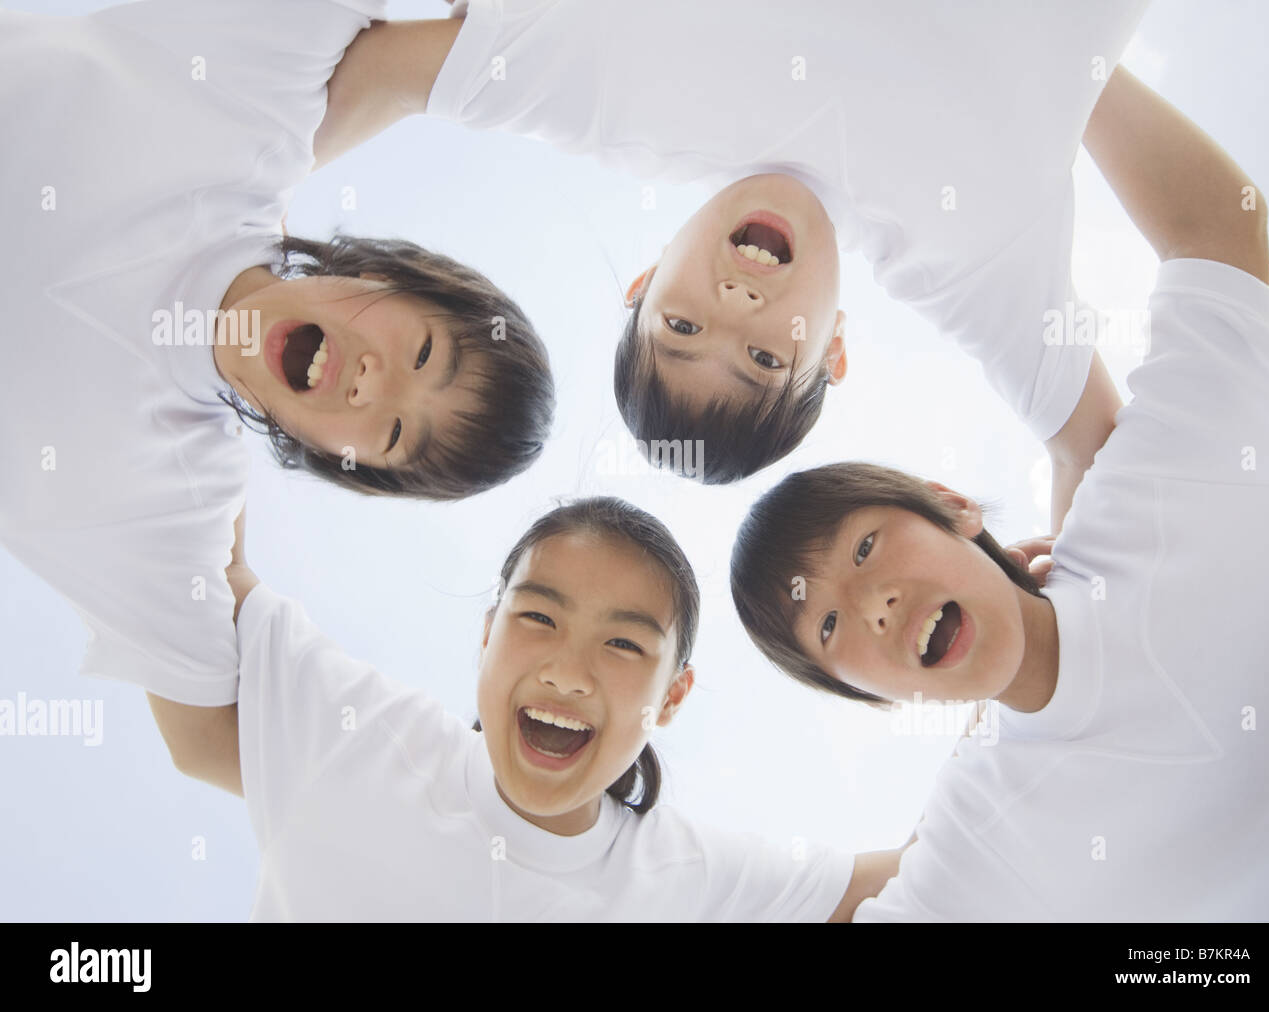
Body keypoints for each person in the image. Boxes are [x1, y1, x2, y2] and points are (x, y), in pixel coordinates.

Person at [729, 66, 1269, 919]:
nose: (876, 602)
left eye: (866, 549)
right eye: (832, 626)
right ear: (869, 694)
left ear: (951, 503)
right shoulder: (976, 842)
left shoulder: (1137, 500)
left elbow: (1219, 230)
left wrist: (1063, 56)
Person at [0, 1, 553, 709]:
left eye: (390, 434)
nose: (370, 386)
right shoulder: (245, 112)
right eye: (420, 352)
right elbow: (429, 61)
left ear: (333, 455)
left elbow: (211, 739)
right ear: (386, 280)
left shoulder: (171, 505)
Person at [424, 0, 1147, 516]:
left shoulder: (630, 91)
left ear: (643, 283)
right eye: (766, 361)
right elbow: (1097, 458)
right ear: (832, 351)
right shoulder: (961, 260)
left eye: (682, 329)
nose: (737, 307)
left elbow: (405, 73)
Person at [149, 499, 902, 920]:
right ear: (486, 635)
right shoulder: (364, 739)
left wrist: (1012, 637)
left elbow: (919, 881)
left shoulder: (690, 876)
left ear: (672, 698)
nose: (568, 673)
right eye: (539, 620)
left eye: (623, 646)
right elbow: (191, 556)